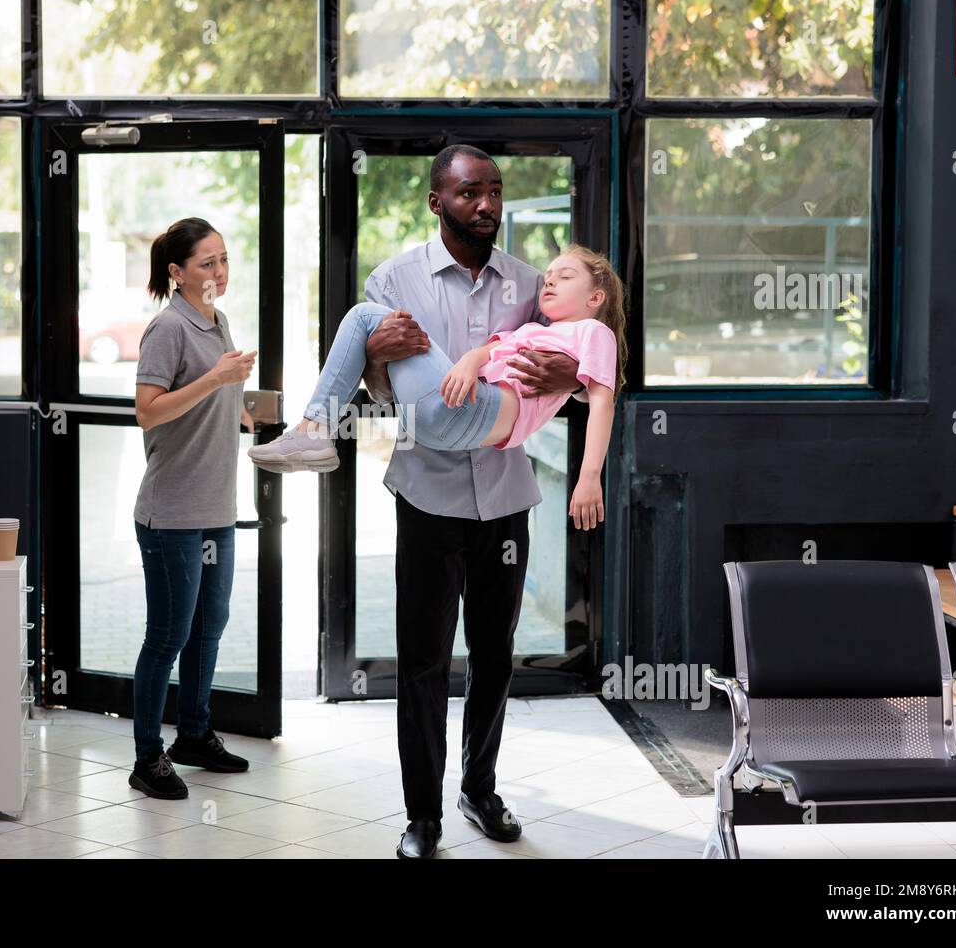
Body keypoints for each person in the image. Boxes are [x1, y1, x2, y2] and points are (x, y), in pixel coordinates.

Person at [268, 144, 621, 858]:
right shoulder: (394, 277)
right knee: (424, 659)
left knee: (494, 656)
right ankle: (422, 814)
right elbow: (381, 390)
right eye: (469, 193)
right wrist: (374, 363)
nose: (486, 204)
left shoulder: (532, 283)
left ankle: (479, 789)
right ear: (437, 202)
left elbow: (580, 370)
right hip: (426, 490)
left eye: (494, 192)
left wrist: (567, 378)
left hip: (504, 492)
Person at [247, 244, 621, 482]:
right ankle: (314, 430)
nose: (549, 282)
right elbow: (492, 350)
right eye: (548, 277)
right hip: (439, 430)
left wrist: (589, 477)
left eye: (565, 277)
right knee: (374, 325)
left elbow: (603, 402)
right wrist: (470, 361)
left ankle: (314, 428)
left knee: (363, 315)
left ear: (595, 297)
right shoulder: (533, 331)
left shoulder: (592, 332)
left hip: (474, 415)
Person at [128, 216, 257, 800]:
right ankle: (147, 756)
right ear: (177, 273)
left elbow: (208, 398)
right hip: (171, 515)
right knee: (168, 635)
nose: (219, 272)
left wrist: (244, 407)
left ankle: (195, 736)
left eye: (224, 260)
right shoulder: (167, 328)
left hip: (215, 509)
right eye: (207, 263)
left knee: (208, 629)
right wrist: (218, 380)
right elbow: (149, 411)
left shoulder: (218, 321)